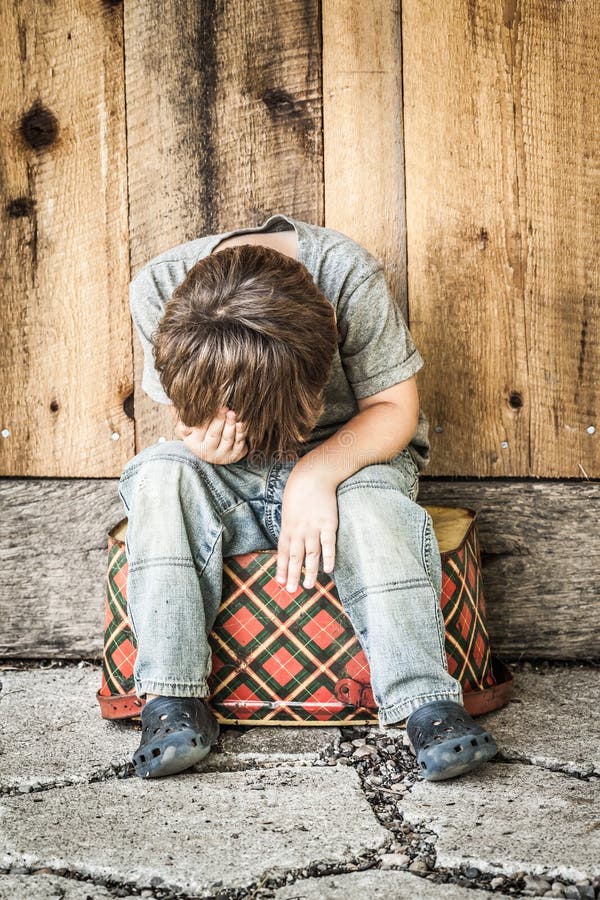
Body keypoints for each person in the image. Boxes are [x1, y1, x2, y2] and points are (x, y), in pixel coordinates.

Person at [118, 212, 499, 781]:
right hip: (231, 471)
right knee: (157, 474)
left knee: (375, 512)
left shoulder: (347, 274)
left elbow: (394, 410)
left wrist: (316, 472)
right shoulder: (155, 287)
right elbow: (183, 413)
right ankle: (171, 701)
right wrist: (200, 436)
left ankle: (428, 705)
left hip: (352, 461)